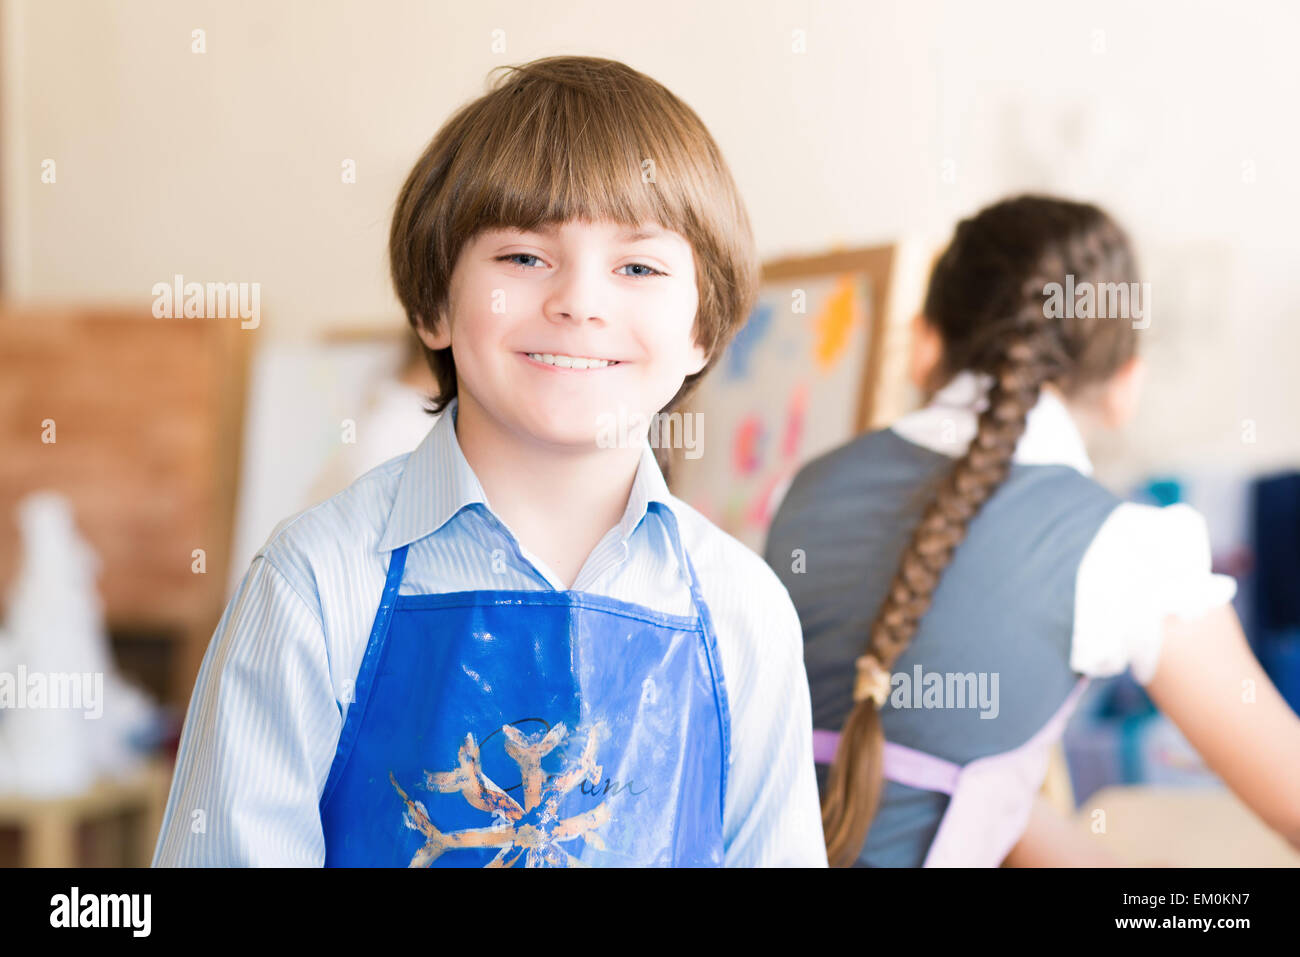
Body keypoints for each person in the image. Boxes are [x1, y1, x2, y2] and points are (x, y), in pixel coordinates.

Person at [152, 55, 826, 867]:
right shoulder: (316, 583)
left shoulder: (742, 610)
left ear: (702, 330)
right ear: (434, 302)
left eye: (638, 267)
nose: (579, 301)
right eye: (523, 257)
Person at [764, 194, 1300, 866]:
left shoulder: (797, 492)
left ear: (925, 343)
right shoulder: (1124, 547)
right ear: (1125, 382)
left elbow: (950, 781)